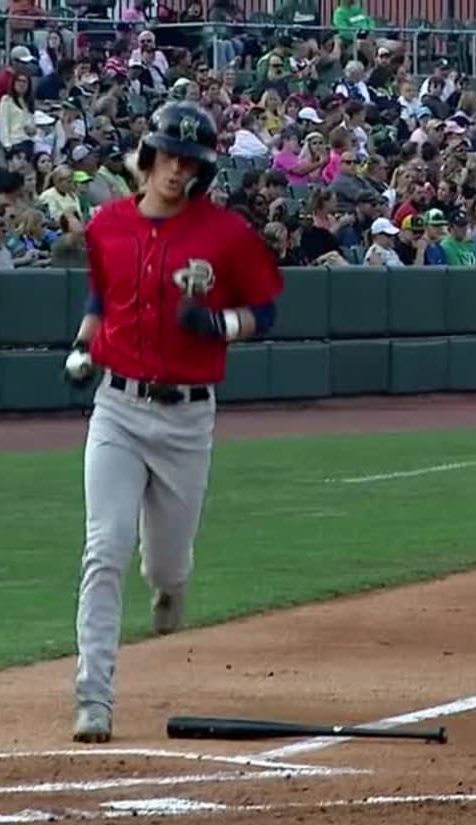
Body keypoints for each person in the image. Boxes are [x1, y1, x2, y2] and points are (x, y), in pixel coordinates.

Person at [63, 102, 282, 743]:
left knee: (163, 564)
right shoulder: (108, 224)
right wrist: (81, 348)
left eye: (191, 161)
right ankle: (93, 699)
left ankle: (170, 585)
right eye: (169, 155)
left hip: (188, 419)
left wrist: (220, 324)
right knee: (103, 551)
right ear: (149, 155)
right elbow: (101, 300)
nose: (177, 169)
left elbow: (265, 311)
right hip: (119, 409)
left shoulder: (225, 234)